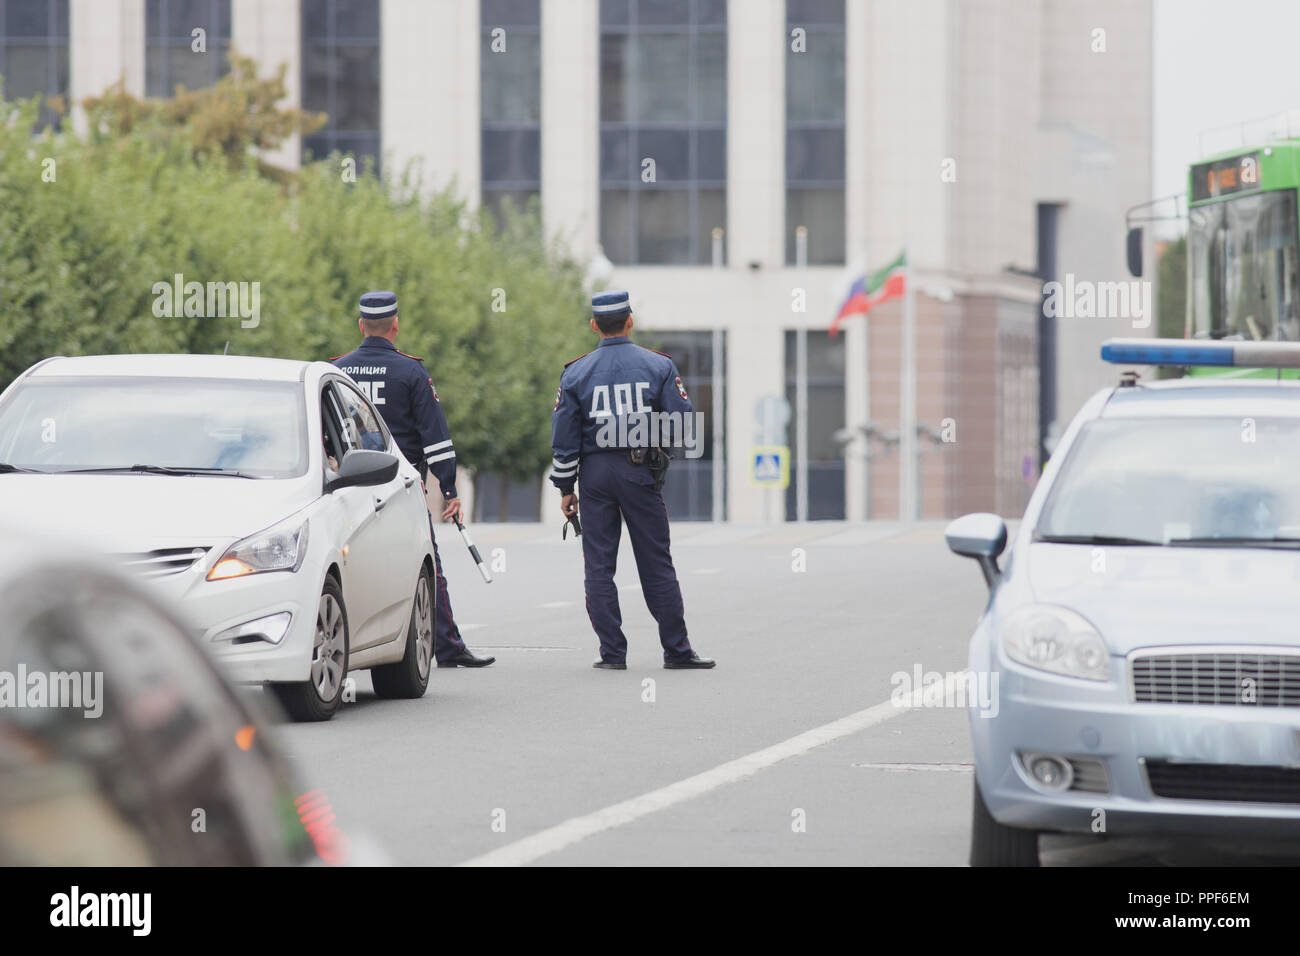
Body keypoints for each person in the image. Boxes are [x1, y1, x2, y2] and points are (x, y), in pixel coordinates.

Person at [550, 290, 715, 670]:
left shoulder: (575, 372)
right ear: (630, 321)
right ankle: (676, 650)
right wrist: (652, 445)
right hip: (639, 471)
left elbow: (564, 437)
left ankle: (612, 654)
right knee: (656, 563)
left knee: (599, 565)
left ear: (594, 325)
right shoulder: (658, 366)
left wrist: (565, 488)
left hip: (594, 476)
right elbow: (682, 427)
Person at [331, 291, 495, 668]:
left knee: (349, 564)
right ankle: (448, 647)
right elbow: (436, 439)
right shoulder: (411, 372)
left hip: (346, 488)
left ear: (360, 326)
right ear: (395, 325)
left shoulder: (338, 371)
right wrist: (449, 489)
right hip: (400, 488)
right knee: (425, 565)